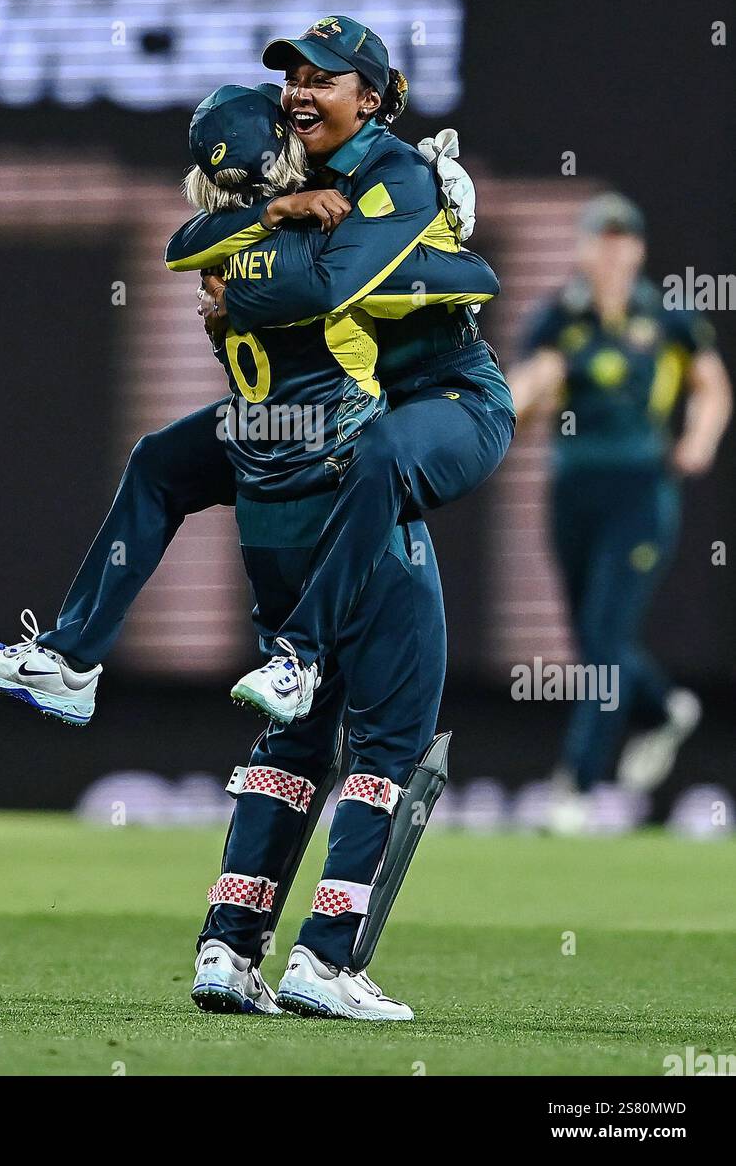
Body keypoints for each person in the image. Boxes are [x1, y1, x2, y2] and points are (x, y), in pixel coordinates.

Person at [0, 17, 514, 725]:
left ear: (368, 100)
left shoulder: (395, 172)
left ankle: (299, 659)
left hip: (448, 394)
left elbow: (330, 288)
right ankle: (69, 662)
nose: (297, 95)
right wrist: (275, 211)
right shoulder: (300, 171)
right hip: (343, 398)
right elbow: (185, 244)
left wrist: (237, 293)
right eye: (292, 79)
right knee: (159, 462)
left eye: (320, 80)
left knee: (383, 455)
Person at [174, 85, 474, 1019]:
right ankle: (325, 957)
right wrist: (447, 217)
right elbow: (444, 291)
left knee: (292, 739)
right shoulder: (333, 232)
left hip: (273, 512)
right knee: (393, 738)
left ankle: (227, 949)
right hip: (359, 502)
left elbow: (223, 282)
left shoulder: (228, 245)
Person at [508, 193, 731, 833]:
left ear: (637, 249)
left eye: (622, 241)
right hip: (573, 490)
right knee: (592, 639)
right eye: (600, 241)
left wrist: (699, 439)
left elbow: (711, 386)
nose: (610, 254)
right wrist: (513, 408)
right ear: (582, 249)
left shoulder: (666, 317)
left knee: (605, 641)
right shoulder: (558, 318)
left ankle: (576, 786)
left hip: (640, 490)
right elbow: (533, 386)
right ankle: (662, 708)